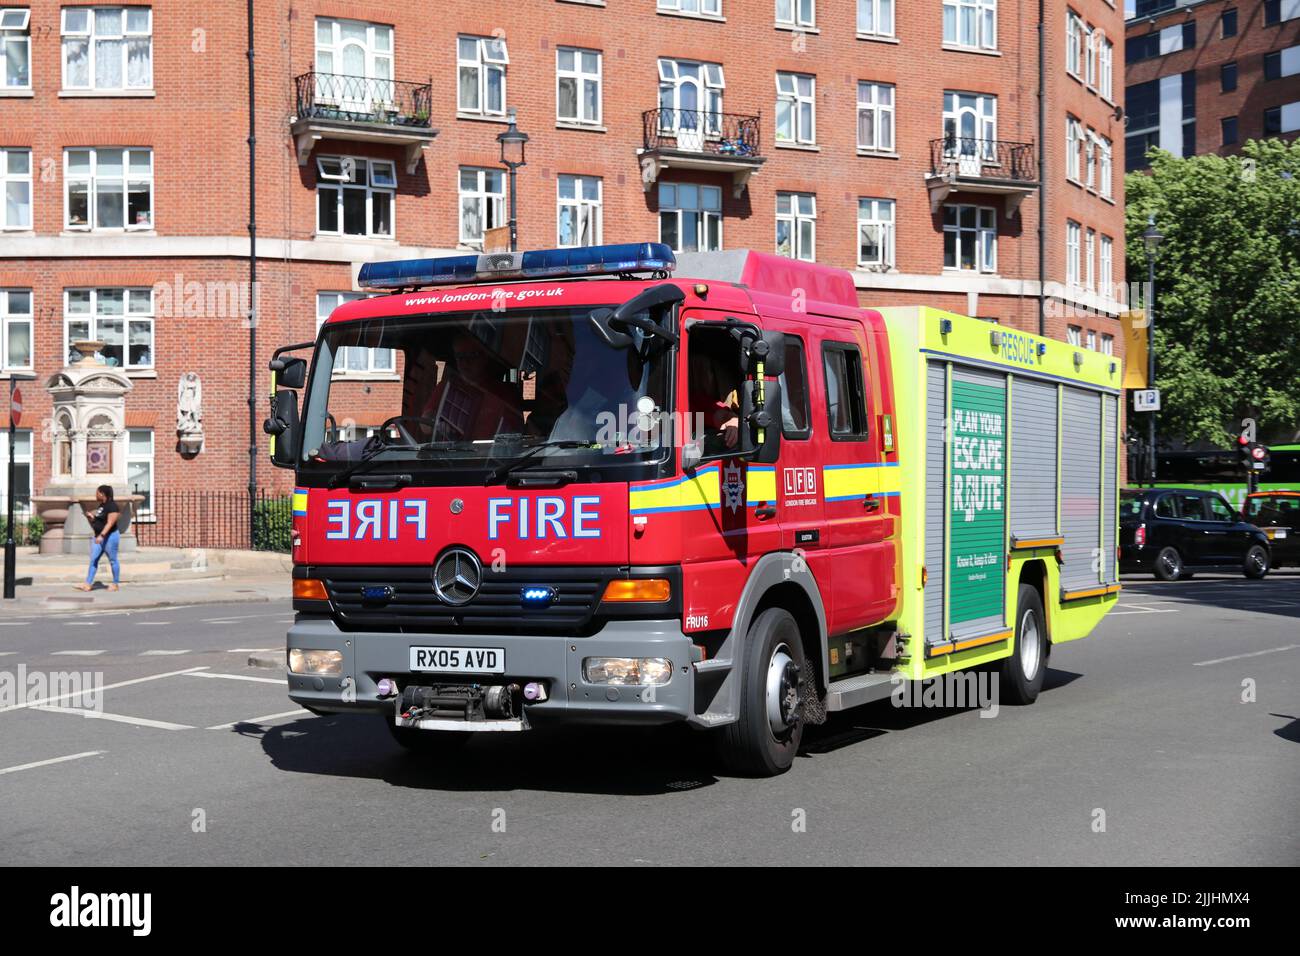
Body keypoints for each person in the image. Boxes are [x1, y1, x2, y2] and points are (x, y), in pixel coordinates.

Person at [76, 485, 121, 592]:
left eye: (96, 493)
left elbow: (110, 523)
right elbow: (100, 521)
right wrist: (92, 518)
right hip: (98, 537)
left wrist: (102, 536)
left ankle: (115, 584)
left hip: (109, 537)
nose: (95, 495)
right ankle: (88, 584)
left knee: (113, 560)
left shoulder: (112, 506)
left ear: (102, 493)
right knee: (93, 560)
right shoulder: (102, 505)